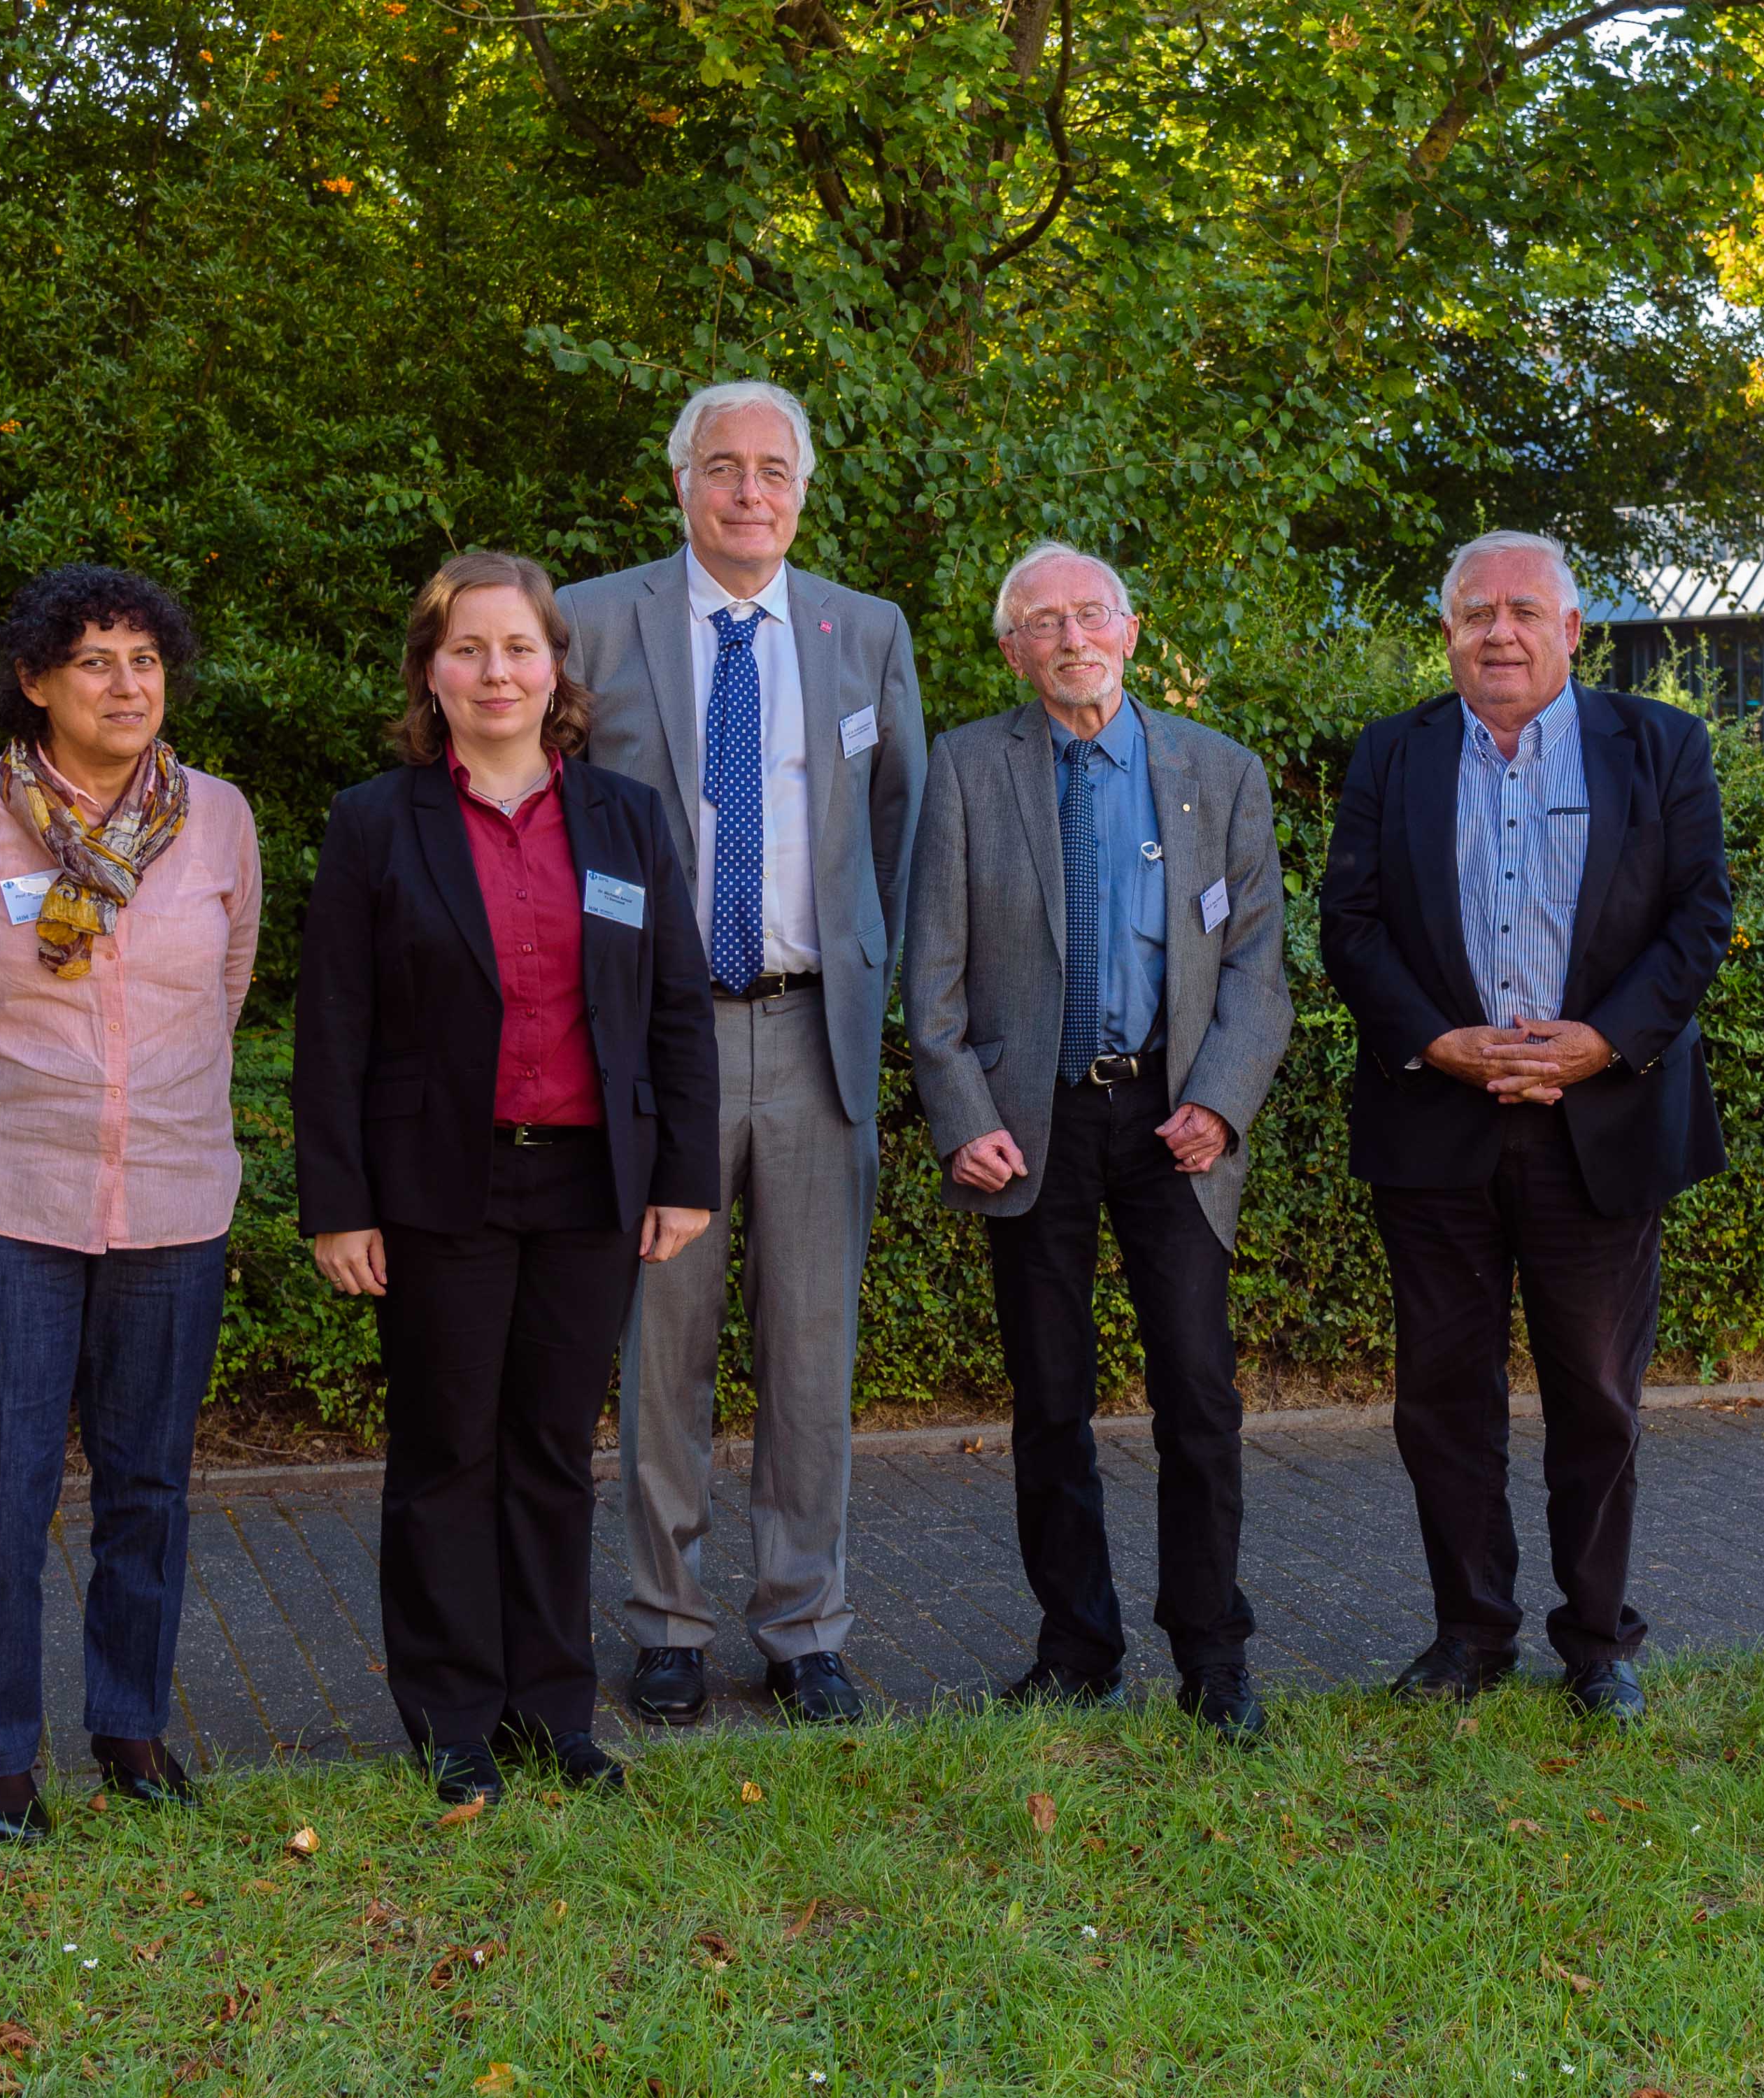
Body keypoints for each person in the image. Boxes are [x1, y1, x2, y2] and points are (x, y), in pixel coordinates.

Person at [293, 552, 718, 1806]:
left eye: (518, 648)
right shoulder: (377, 822)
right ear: (430, 673)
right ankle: (452, 1718)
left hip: (590, 1186)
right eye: (468, 649)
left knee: (551, 1449)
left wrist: (684, 1173)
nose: (496, 672)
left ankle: (552, 1711)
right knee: (445, 1455)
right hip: (440, 1186)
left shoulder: (625, 818)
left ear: (554, 669)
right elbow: (333, 1027)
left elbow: (676, 1008)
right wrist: (339, 1202)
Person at [0, 564, 261, 1843]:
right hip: (1, 1198)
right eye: (95, 661)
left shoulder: (217, 818)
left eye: (145, 660)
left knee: (149, 1484)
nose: (126, 685)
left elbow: (226, 988)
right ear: (36, 682)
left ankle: (130, 1730)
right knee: (1, 1489)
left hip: (174, 1198)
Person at [1317, 529, 1731, 1723]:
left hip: (1599, 1125)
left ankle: (1598, 1641)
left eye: (1524, 611)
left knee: (1596, 1397)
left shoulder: (1659, 744)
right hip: (1435, 1123)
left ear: (1572, 631)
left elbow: (1699, 918)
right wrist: (1433, 1041)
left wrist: (1604, 1040)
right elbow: (1350, 923)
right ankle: (1470, 1632)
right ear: (1447, 630)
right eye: (1475, 613)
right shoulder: (1392, 753)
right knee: (1442, 1401)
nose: (1498, 632)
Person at [560, 381, 926, 1727]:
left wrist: (869, 976)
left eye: (774, 469)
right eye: (723, 466)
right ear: (680, 483)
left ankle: (802, 1627)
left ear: (804, 490)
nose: (749, 491)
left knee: (811, 1351)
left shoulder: (864, 631)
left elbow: (899, 827)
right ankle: (666, 1622)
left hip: (815, 1032)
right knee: (663, 1348)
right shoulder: (591, 622)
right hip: (664, 1043)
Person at [902, 543, 1294, 1738]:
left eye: (1090, 614)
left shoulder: (1218, 771)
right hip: (1032, 1128)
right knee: (1049, 1399)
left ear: (1129, 630)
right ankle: (1077, 1649)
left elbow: (1257, 970)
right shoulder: (966, 769)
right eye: (1043, 621)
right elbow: (931, 974)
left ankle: (1212, 1655)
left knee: (1199, 1395)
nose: (1071, 637)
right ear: (1012, 651)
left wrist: (1219, 1101)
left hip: (1175, 1121)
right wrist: (962, 1116)